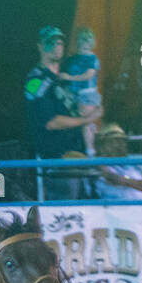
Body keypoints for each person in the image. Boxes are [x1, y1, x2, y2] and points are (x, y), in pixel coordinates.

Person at [24, 25, 101, 199]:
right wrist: (88, 119)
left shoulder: (65, 75)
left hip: (78, 155)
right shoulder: (35, 79)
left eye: (60, 42)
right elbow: (51, 122)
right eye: (51, 43)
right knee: (67, 212)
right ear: (40, 46)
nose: (57, 46)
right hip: (57, 160)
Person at [60, 27, 101, 155]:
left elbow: (88, 75)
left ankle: (91, 152)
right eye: (82, 40)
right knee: (84, 123)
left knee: (86, 122)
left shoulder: (92, 59)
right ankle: (90, 150)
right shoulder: (74, 58)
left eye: (87, 40)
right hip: (74, 94)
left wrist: (69, 77)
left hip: (88, 93)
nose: (84, 43)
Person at [93, 123, 142, 199]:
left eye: (122, 140)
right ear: (102, 145)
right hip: (116, 207)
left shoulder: (135, 161)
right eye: (114, 141)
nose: (120, 144)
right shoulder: (98, 161)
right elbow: (113, 178)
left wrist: (126, 181)